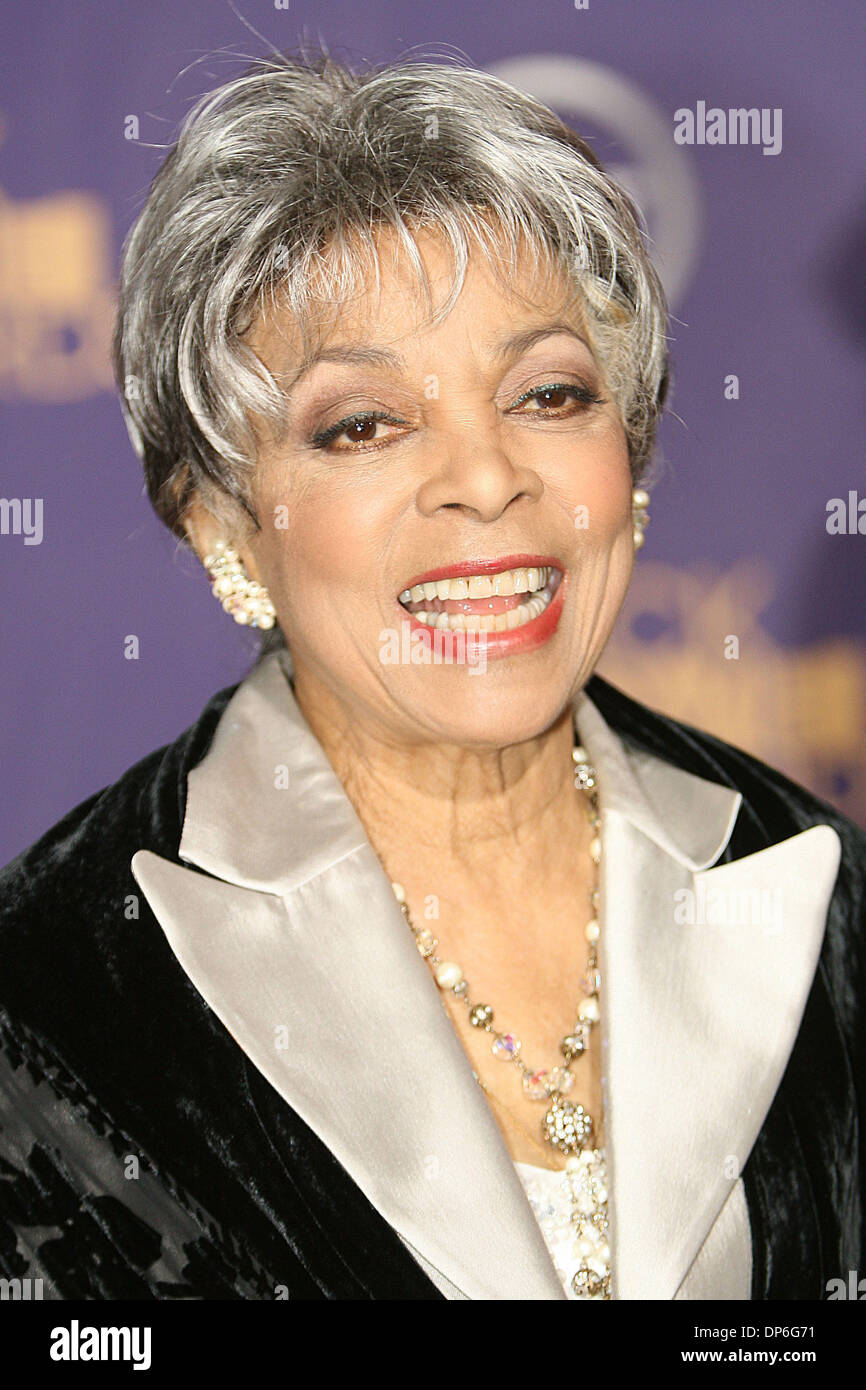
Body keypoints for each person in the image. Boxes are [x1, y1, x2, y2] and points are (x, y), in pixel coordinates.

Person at [0, 51, 863, 1302]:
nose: (484, 475)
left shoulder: (824, 901)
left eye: (548, 394)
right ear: (225, 527)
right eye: (364, 423)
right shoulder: (53, 1001)